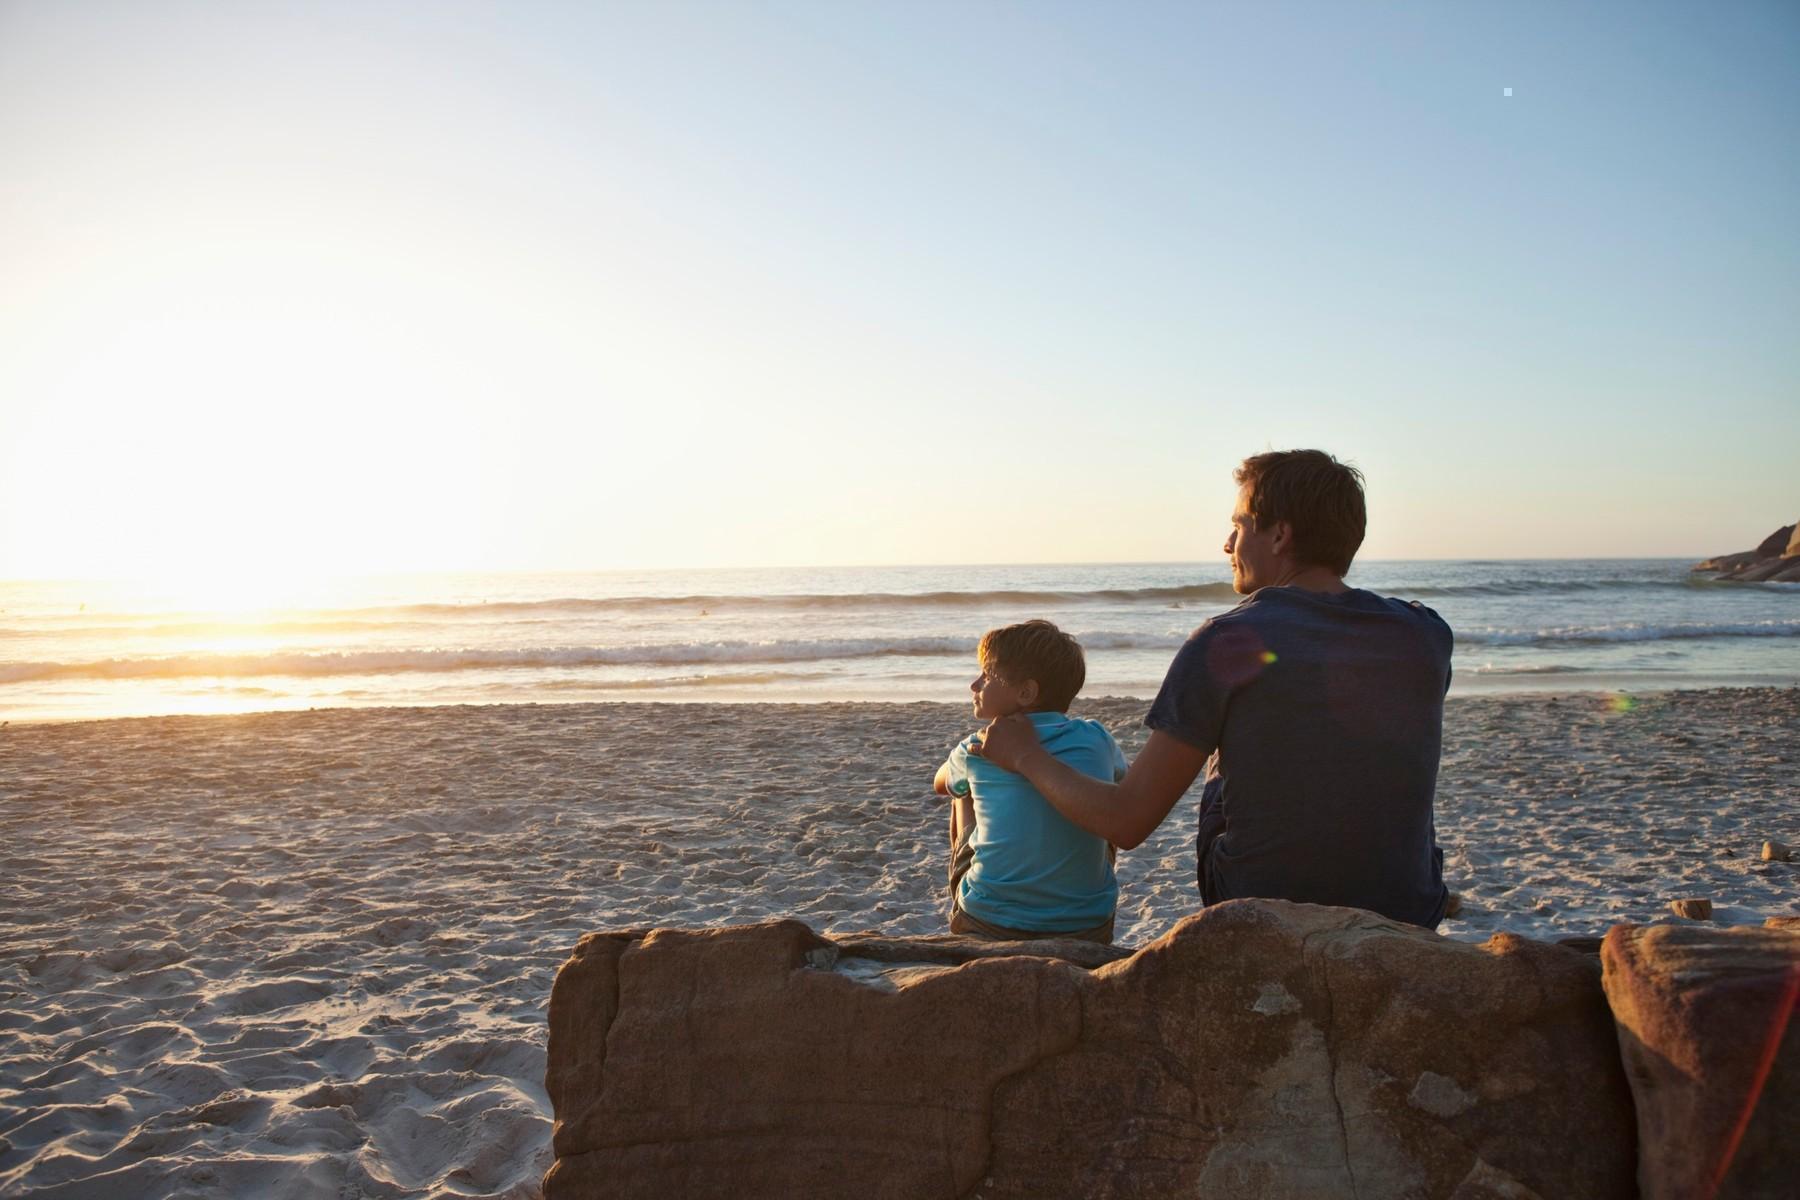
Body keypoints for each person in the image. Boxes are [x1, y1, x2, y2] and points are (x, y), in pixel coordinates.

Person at [974, 450, 1452, 928]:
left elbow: (1127, 822)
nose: (1228, 544)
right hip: (1408, 908)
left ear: (1280, 535)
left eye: (1240, 526)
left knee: (1231, 742)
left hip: (1263, 908)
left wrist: (1025, 756)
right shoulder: (1426, 634)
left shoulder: (1227, 640)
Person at [933, 620, 1128, 944]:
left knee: (960, 791)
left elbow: (939, 783)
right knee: (1100, 795)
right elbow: (1123, 778)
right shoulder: (1097, 737)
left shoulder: (975, 748)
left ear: (1026, 692)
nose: (974, 685)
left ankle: (978, 890)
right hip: (1086, 920)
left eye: (985, 675)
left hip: (988, 920)